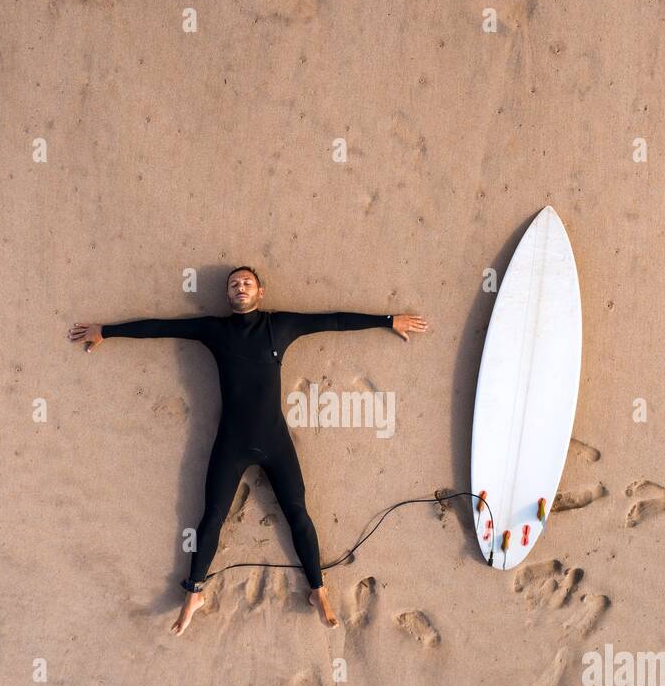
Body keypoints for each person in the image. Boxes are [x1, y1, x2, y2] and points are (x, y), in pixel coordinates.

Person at [68, 267, 427, 634]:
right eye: (234, 285)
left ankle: (317, 591)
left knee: (298, 514)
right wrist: (106, 331)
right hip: (231, 443)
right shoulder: (214, 330)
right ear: (229, 296)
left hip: (275, 442)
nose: (240, 288)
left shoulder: (281, 325)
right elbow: (160, 327)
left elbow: (331, 320)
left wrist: (387, 320)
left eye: (247, 283)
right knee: (212, 516)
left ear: (261, 291)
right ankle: (194, 593)